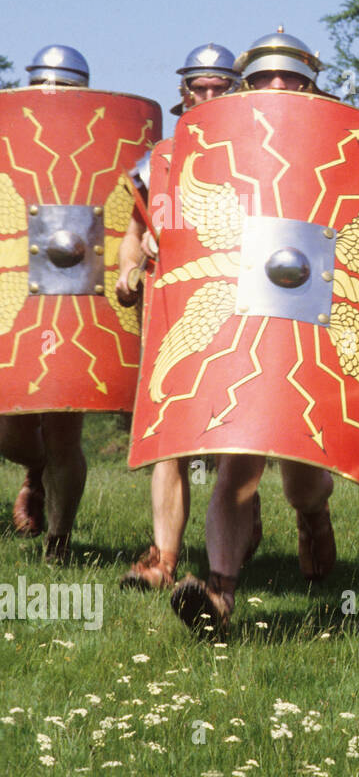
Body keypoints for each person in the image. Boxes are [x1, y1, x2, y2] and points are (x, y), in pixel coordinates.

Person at [168, 31, 336, 634]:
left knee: (301, 468)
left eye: (289, 78)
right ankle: (219, 593)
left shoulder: (335, 142)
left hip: (313, 310)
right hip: (244, 305)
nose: (277, 88)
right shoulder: (228, 144)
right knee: (237, 458)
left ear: (310, 84)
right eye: (265, 79)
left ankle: (312, 517)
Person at [118, 44, 243, 591]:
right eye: (201, 87)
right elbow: (132, 235)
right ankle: (164, 562)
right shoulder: (159, 162)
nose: (210, 96)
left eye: (221, 86)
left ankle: (294, 522)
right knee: (169, 437)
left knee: (232, 436)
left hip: (240, 311)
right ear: (184, 94)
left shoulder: (257, 156)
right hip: (173, 310)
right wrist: (129, 271)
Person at [0, 46, 94, 562]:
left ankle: (59, 541)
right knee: (11, 430)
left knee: (63, 429)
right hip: (15, 290)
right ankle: (33, 471)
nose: (55, 94)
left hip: (78, 297)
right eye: (47, 84)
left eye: (66, 86)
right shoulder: (10, 138)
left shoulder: (101, 148)